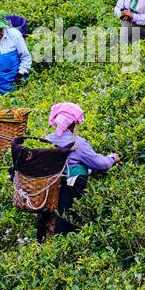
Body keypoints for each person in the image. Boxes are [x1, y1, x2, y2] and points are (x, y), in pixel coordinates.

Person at [39, 102, 119, 239]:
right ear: (73, 123)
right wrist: (112, 158)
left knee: (46, 229)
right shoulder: (77, 143)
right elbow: (100, 164)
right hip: (68, 190)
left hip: (47, 191)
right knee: (67, 228)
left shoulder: (45, 140)